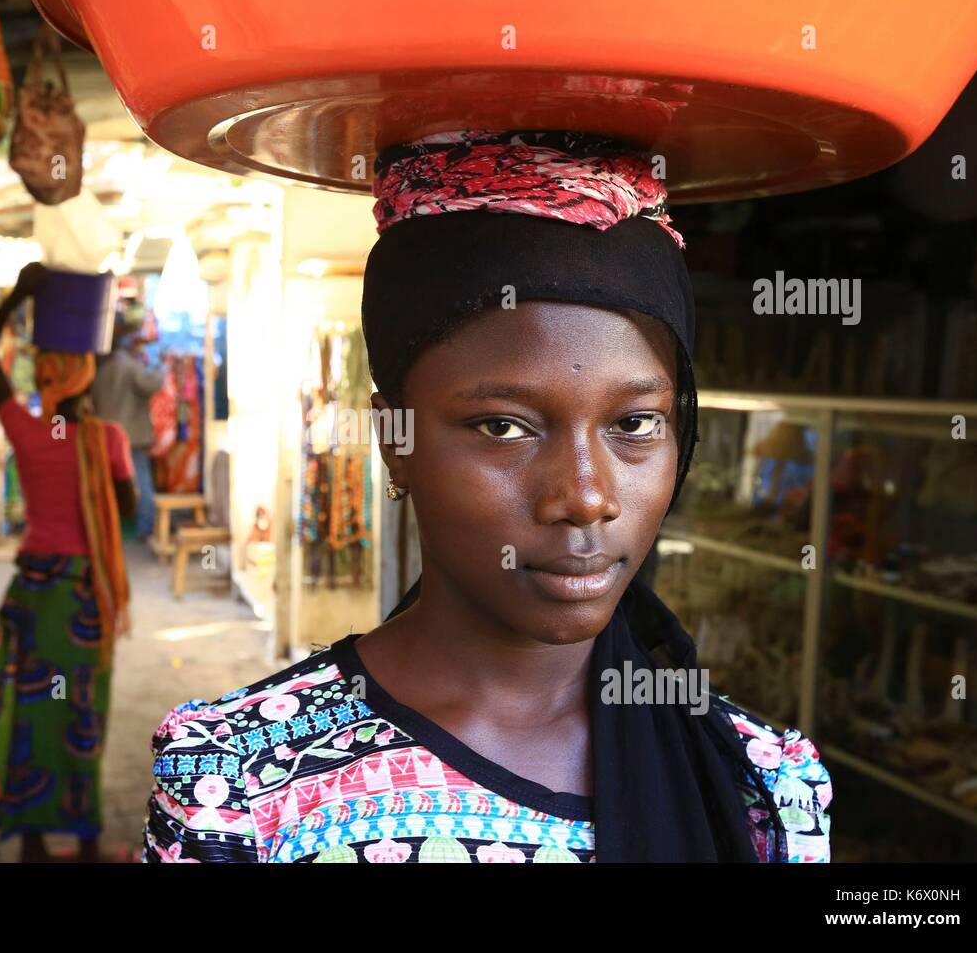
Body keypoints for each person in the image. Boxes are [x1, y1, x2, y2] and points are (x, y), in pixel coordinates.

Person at [142, 131, 832, 863]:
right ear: (395, 440)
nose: (586, 497)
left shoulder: (766, 788)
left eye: (634, 424)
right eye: (503, 426)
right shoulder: (238, 782)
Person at [0, 261, 139, 863]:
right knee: (81, 714)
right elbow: (126, 512)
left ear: (45, 374)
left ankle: (35, 844)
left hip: (32, 593)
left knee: (30, 711)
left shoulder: (26, 430)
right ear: (86, 374)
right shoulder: (108, 441)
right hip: (83, 598)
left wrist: (21, 290)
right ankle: (88, 843)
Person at [92, 323, 165, 541]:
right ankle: (145, 527)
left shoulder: (102, 370)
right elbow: (150, 384)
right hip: (130, 436)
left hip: (106, 436)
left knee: (111, 483)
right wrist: (161, 368)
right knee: (140, 480)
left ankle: (111, 528)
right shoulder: (130, 367)